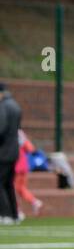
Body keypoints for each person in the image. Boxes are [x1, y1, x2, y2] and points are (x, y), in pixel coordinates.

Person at [0, 83, 22, 224]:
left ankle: (5, 214)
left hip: (3, 151)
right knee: (8, 184)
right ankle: (14, 214)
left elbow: (1, 129)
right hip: (14, 151)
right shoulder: (15, 105)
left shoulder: (3, 106)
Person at [13, 129, 42, 219]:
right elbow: (31, 148)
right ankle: (34, 201)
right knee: (21, 188)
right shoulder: (20, 133)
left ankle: (17, 211)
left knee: (13, 189)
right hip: (24, 165)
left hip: (15, 165)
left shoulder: (10, 131)